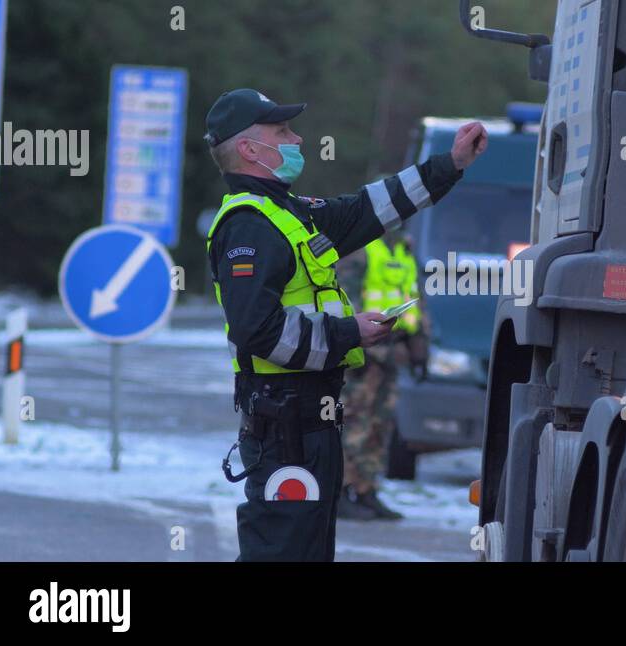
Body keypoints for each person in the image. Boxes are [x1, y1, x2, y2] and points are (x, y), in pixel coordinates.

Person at [203, 88, 487, 561]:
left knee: (304, 553)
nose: (296, 139)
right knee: (281, 553)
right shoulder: (248, 226)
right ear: (250, 150)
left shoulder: (288, 212)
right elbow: (258, 331)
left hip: (309, 424)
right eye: (282, 132)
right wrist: (348, 332)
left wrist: (450, 164)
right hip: (284, 427)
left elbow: (367, 208)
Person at [335, 232, 428, 520]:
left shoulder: (404, 251)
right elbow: (343, 300)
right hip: (365, 353)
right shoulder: (361, 250)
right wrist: (354, 344)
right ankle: (339, 492)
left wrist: (419, 345)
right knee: (352, 422)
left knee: (379, 425)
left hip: (391, 353)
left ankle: (366, 490)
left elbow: (414, 299)